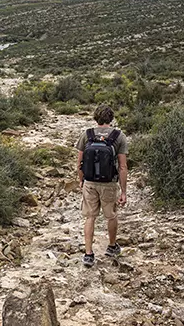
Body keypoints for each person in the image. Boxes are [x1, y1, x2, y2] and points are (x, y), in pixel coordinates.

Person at [76, 105, 128, 267]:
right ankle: (112, 247)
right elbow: (122, 166)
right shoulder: (119, 136)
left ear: (95, 118)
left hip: (90, 182)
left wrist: (81, 180)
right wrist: (124, 191)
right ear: (111, 118)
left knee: (90, 217)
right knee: (111, 215)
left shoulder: (87, 134)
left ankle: (88, 254)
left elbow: (79, 162)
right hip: (109, 183)